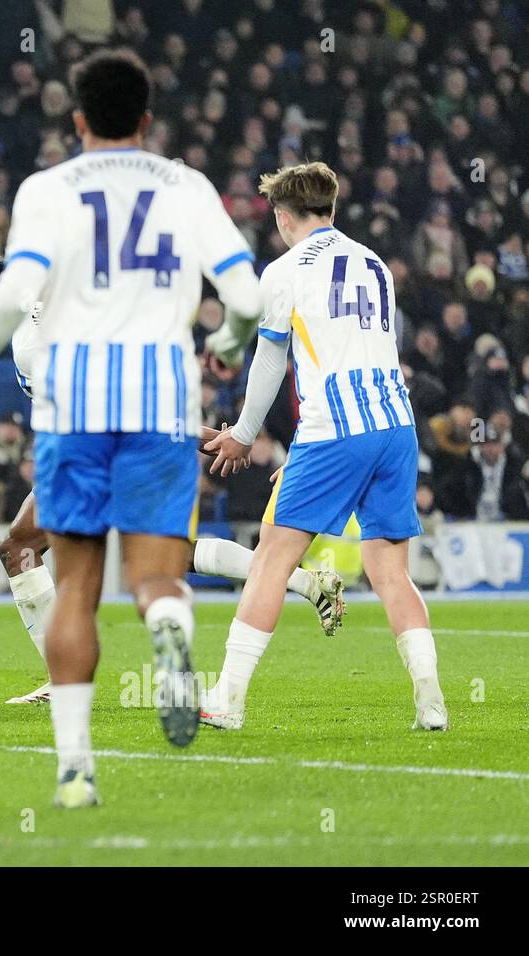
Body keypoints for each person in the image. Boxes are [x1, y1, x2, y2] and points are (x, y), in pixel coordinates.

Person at [0, 49, 263, 807]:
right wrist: (225, 344)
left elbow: (15, 287)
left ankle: (76, 770)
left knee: (77, 589)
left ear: (78, 119)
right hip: (160, 402)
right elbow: (246, 295)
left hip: (74, 407)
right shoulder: (186, 187)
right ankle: (173, 633)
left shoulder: (47, 189)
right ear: (147, 121)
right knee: (157, 575)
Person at [0, 256, 345, 710]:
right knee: (163, 554)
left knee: (21, 549)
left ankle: (64, 677)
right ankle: (306, 583)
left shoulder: (32, 338)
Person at [202, 161, 448, 734]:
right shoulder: (376, 263)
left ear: (282, 217)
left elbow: (270, 358)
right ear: (332, 210)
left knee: (271, 558)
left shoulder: (284, 270)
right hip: (395, 424)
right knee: (390, 570)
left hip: (334, 428)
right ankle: (431, 700)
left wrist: (242, 434)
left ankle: (228, 700)